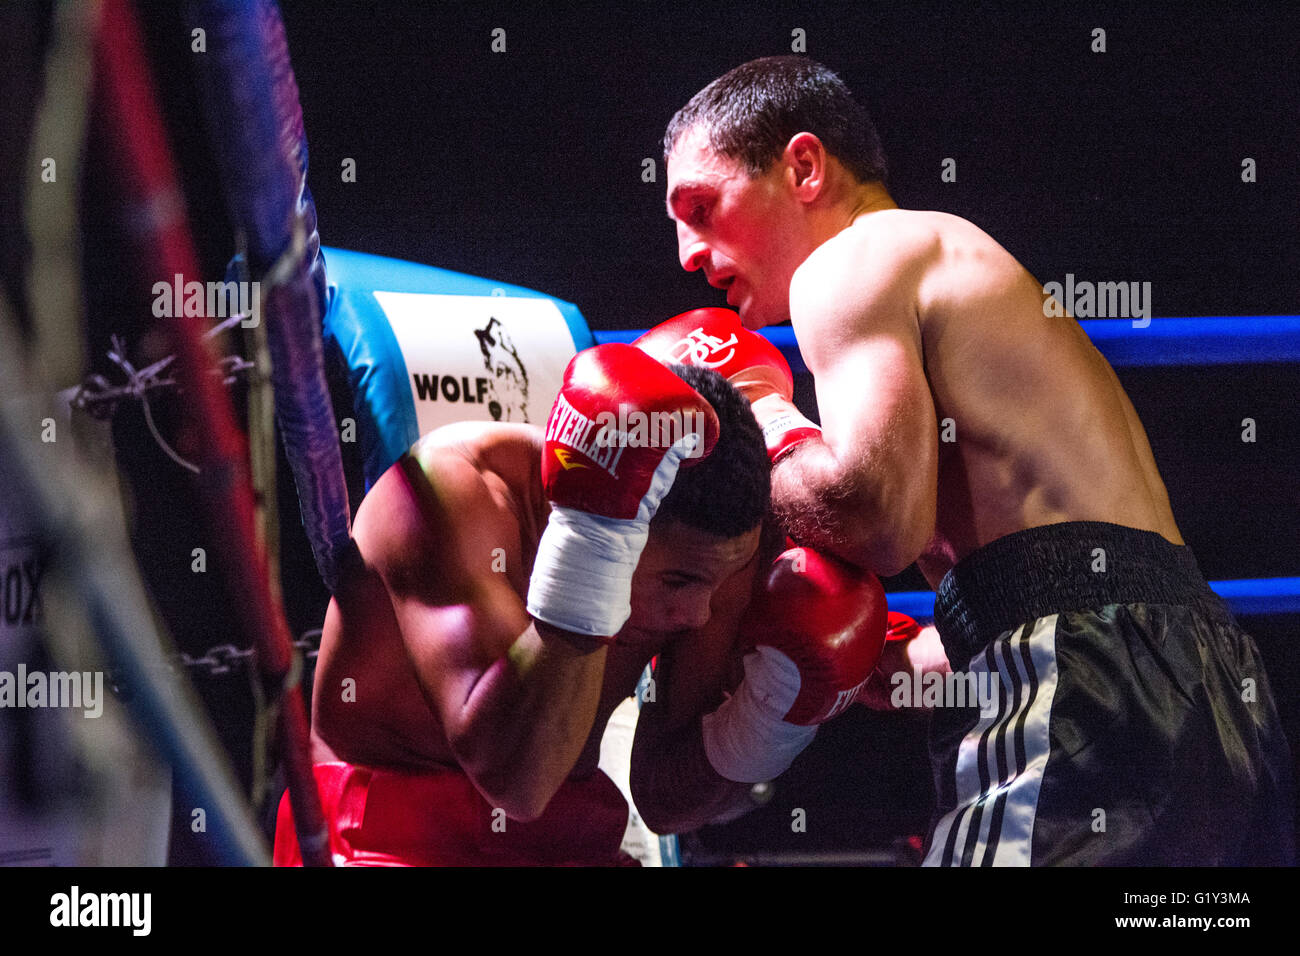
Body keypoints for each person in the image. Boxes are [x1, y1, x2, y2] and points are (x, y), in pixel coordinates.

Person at [663, 55, 1294, 865]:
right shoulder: (944, 257)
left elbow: (877, 518)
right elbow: (1082, 564)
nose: (687, 251)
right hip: (1206, 682)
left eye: (702, 206)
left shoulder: (852, 262)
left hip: (1081, 677)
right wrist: (906, 656)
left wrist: (757, 414)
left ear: (805, 166)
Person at [273, 341, 894, 865]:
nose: (698, 615)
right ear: (616, 521)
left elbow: (664, 801)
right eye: (678, 583)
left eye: (716, 583)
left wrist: (759, 731)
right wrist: (595, 550)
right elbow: (514, 783)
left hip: (567, 833)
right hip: (385, 832)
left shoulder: (709, 555)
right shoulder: (446, 495)